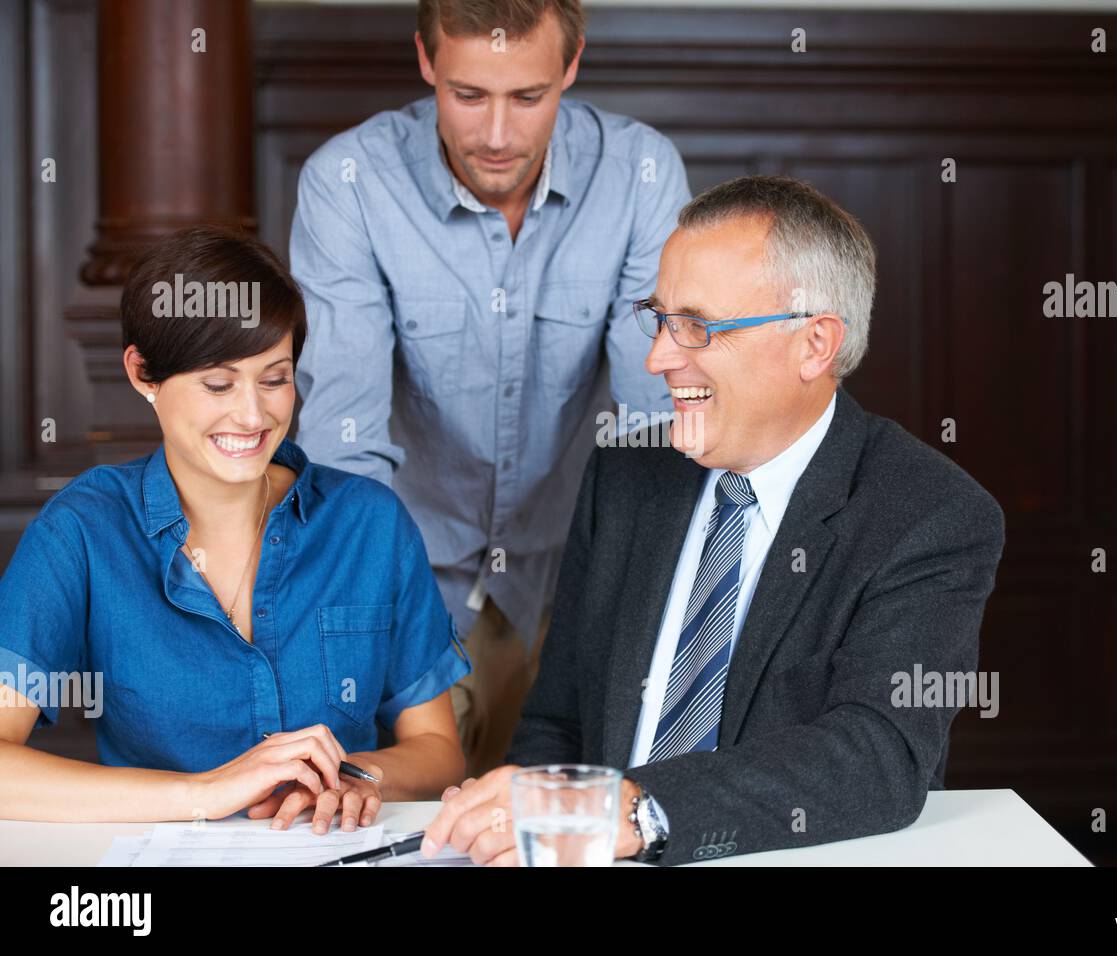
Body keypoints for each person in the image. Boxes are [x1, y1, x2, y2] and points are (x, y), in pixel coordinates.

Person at [420, 175, 1006, 865]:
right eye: (659, 317)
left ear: (815, 344)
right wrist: (528, 829)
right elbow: (558, 722)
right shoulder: (624, 475)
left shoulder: (929, 513)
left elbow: (878, 755)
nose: (658, 357)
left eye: (697, 326)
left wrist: (640, 810)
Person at [289, 0, 691, 778]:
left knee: (554, 837)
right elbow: (347, 440)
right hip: (410, 582)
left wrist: (643, 619)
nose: (497, 135)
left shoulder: (641, 175)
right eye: (468, 95)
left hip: (575, 581)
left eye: (528, 97)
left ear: (571, 66)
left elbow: (657, 414)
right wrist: (365, 627)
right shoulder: (349, 183)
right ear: (426, 62)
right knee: (404, 835)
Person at [0, 226, 469, 832]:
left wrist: (355, 776)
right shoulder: (83, 531)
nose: (253, 415)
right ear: (143, 374)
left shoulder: (369, 522)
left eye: (275, 379)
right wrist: (206, 792)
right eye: (218, 384)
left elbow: (438, 749)